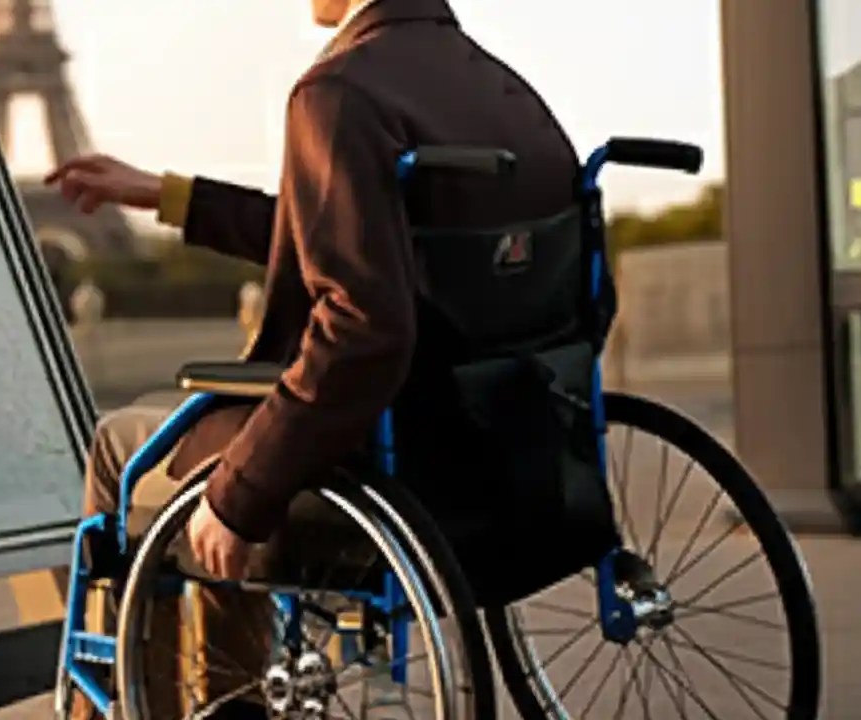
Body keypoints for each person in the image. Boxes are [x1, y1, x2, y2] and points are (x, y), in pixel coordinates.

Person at [46, 0, 579, 715]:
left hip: (372, 444)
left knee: (125, 445)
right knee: (215, 439)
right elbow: (344, 233)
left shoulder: (338, 89)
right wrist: (169, 195)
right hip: (491, 442)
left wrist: (242, 496)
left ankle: (185, 701)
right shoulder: (501, 89)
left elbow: (363, 328)